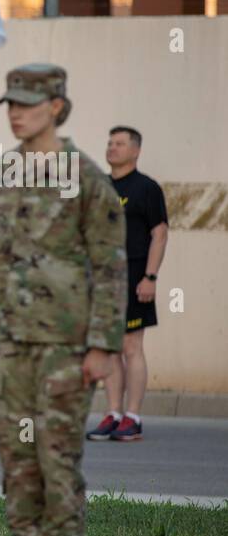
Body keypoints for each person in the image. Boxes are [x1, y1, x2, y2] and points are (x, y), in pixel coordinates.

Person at [0, 64, 125, 536]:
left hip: (64, 346)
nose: (14, 111)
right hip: (5, 342)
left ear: (57, 105)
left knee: (58, 461)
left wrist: (102, 344)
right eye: (9, 102)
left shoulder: (87, 178)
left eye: (27, 102)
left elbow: (109, 266)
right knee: (18, 463)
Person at [88, 126, 169, 444]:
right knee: (109, 350)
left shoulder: (147, 188)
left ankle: (133, 417)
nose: (112, 148)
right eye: (109, 142)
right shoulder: (100, 187)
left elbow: (159, 234)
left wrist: (150, 277)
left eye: (120, 143)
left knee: (131, 347)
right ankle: (113, 414)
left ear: (135, 150)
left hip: (135, 279)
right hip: (103, 282)